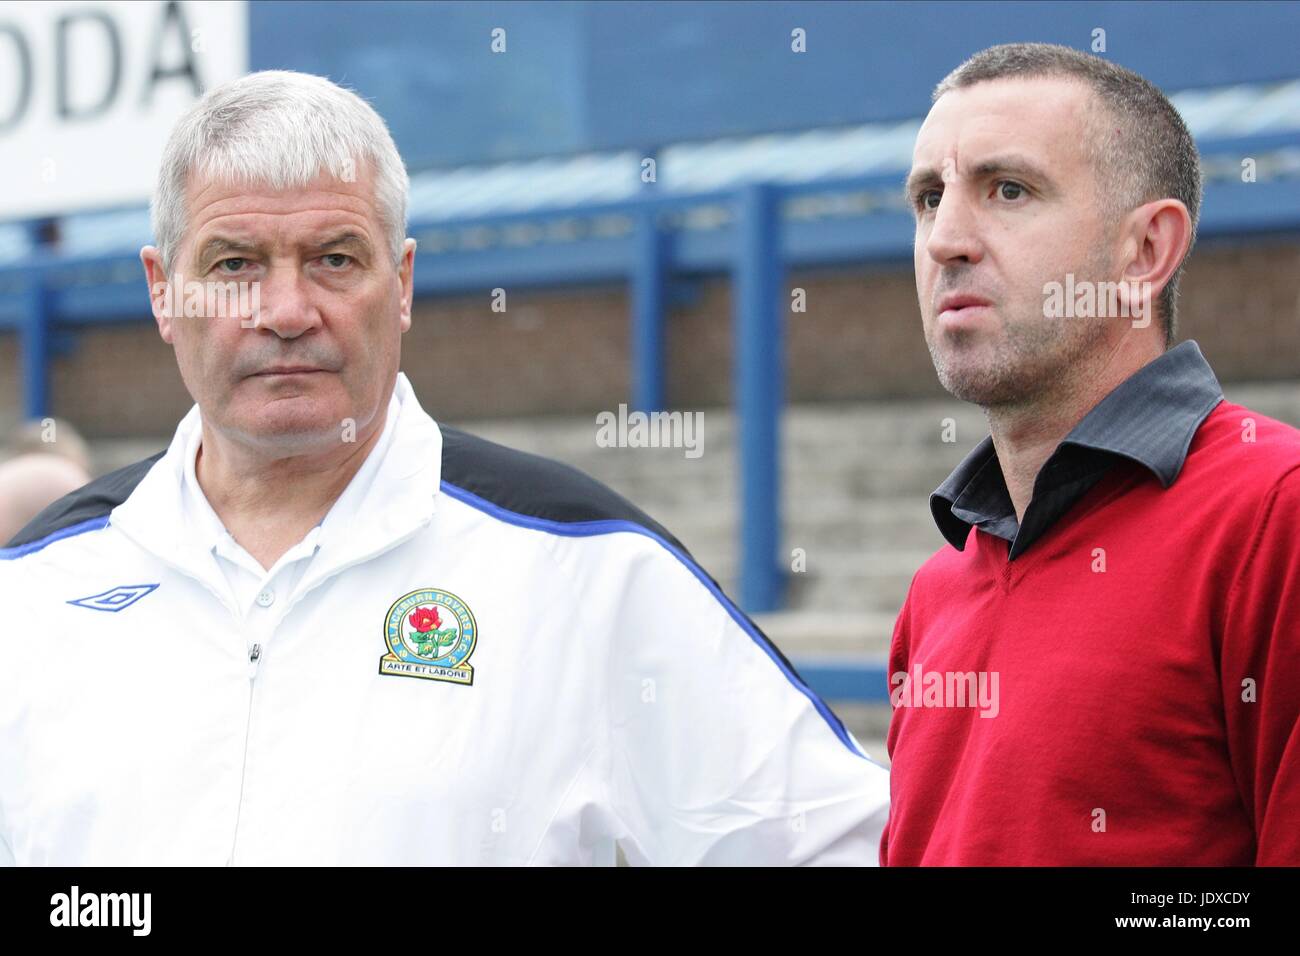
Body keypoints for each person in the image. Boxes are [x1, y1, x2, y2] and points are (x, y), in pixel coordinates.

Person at [0, 70, 888, 866]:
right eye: (234, 266)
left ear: (404, 284)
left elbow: (833, 845)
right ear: (163, 291)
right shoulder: (33, 588)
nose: (285, 310)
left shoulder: (584, 564)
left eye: (334, 260)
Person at [882, 42, 1300, 865]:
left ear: (1145, 252)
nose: (946, 242)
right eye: (929, 198)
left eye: (1008, 190)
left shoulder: (1275, 513)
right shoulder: (936, 589)